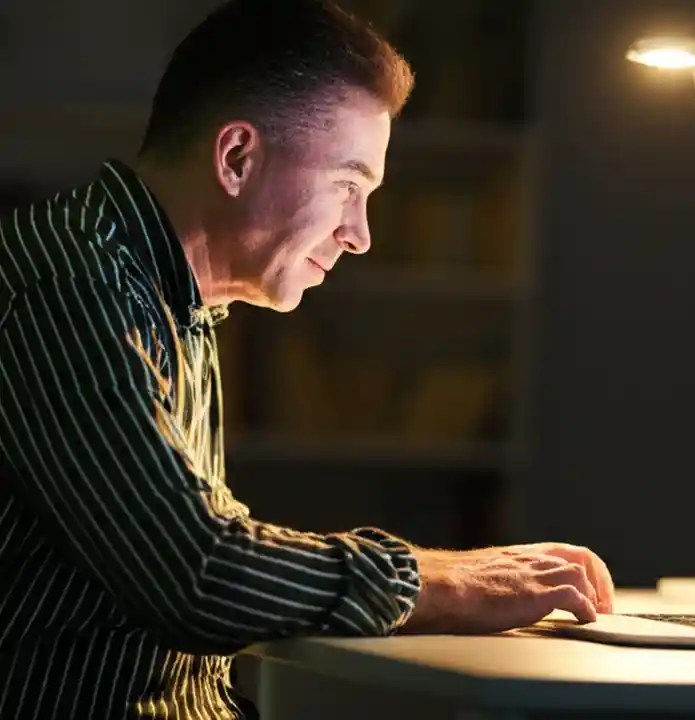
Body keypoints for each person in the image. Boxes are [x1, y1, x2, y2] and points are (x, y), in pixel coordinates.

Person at [0, 1, 614, 718]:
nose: (360, 234)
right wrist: (448, 583)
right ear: (237, 158)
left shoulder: (165, 296)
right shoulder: (72, 286)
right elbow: (199, 574)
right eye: (348, 186)